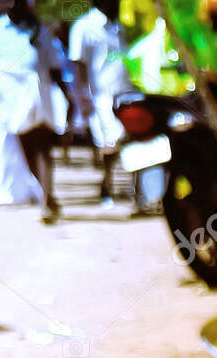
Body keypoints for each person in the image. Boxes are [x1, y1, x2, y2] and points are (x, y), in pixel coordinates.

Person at [0, 0, 71, 223]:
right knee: (27, 148)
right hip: (10, 98)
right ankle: (48, 196)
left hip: (39, 93)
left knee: (43, 146)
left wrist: (66, 98)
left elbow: (55, 67)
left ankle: (47, 199)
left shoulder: (39, 30)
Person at [68, 0, 134, 208]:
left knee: (133, 141)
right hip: (101, 97)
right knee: (110, 144)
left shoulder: (125, 23)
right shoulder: (84, 26)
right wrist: (83, 98)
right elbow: (78, 64)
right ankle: (107, 186)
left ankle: (137, 191)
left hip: (130, 93)